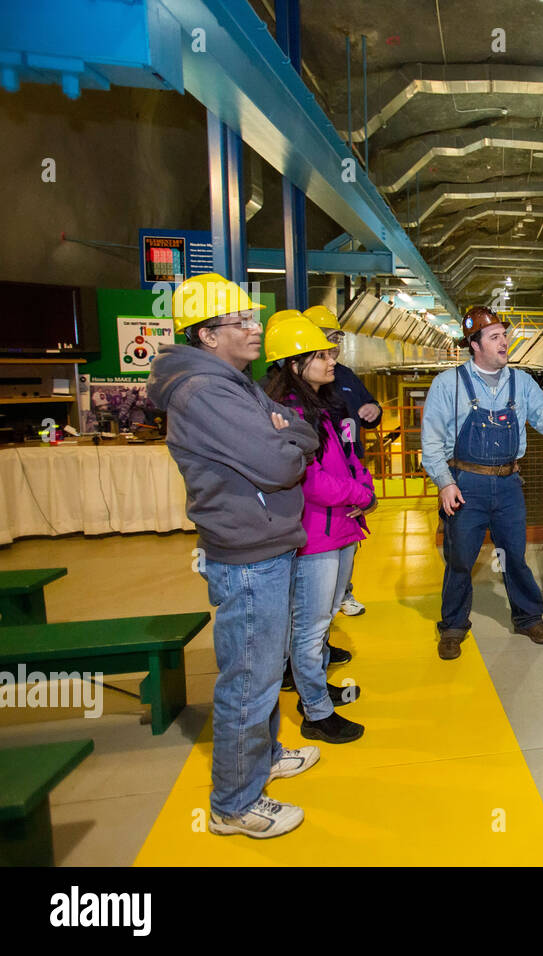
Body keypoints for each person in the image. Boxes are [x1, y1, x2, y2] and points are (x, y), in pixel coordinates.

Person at [147, 274, 320, 839]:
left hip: (263, 543)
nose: (254, 330)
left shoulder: (231, 381)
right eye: (241, 323)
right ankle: (234, 803)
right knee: (249, 678)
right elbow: (281, 465)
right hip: (247, 555)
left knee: (264, 671)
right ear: (206, 335)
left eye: (252, 319)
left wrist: (282, 432)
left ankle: (264, 755)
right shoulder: (206, 392)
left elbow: (303, 433)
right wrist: (281, 442)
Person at [421, 305, 543, 661]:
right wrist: (444, 482)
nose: (504, 341)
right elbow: (430, 441)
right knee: (461, 558)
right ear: (474, 344)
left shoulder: (520, 382)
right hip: (466, 484)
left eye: (504, 335)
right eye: (495, 337)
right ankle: (453, 625)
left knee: (514, 556)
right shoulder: (448, 385)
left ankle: (528, 617)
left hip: (508, 485)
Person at [263, 311, 374, 745]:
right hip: (317, 531)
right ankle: (315, 712)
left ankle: (315, 686)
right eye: (321, 355)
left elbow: (346, 456)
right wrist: (358, 495)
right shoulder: (289, 413)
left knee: (323, 617)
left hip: (340, 524)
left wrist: (361, 486)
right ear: (294, 364)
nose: (332, 360)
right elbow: (306, 478)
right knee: (309, 625)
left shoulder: (318, 404)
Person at [303, 305, 376, 621]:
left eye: (336, 340)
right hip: (322, 490)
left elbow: (367, 405)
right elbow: (309, 476)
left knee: (346, 542)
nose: (333, 349)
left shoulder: (344, 376)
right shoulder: (296, 401)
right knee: (312, 597)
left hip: (348, 471)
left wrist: (373, 409)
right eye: (327, 340)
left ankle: (342, 594)